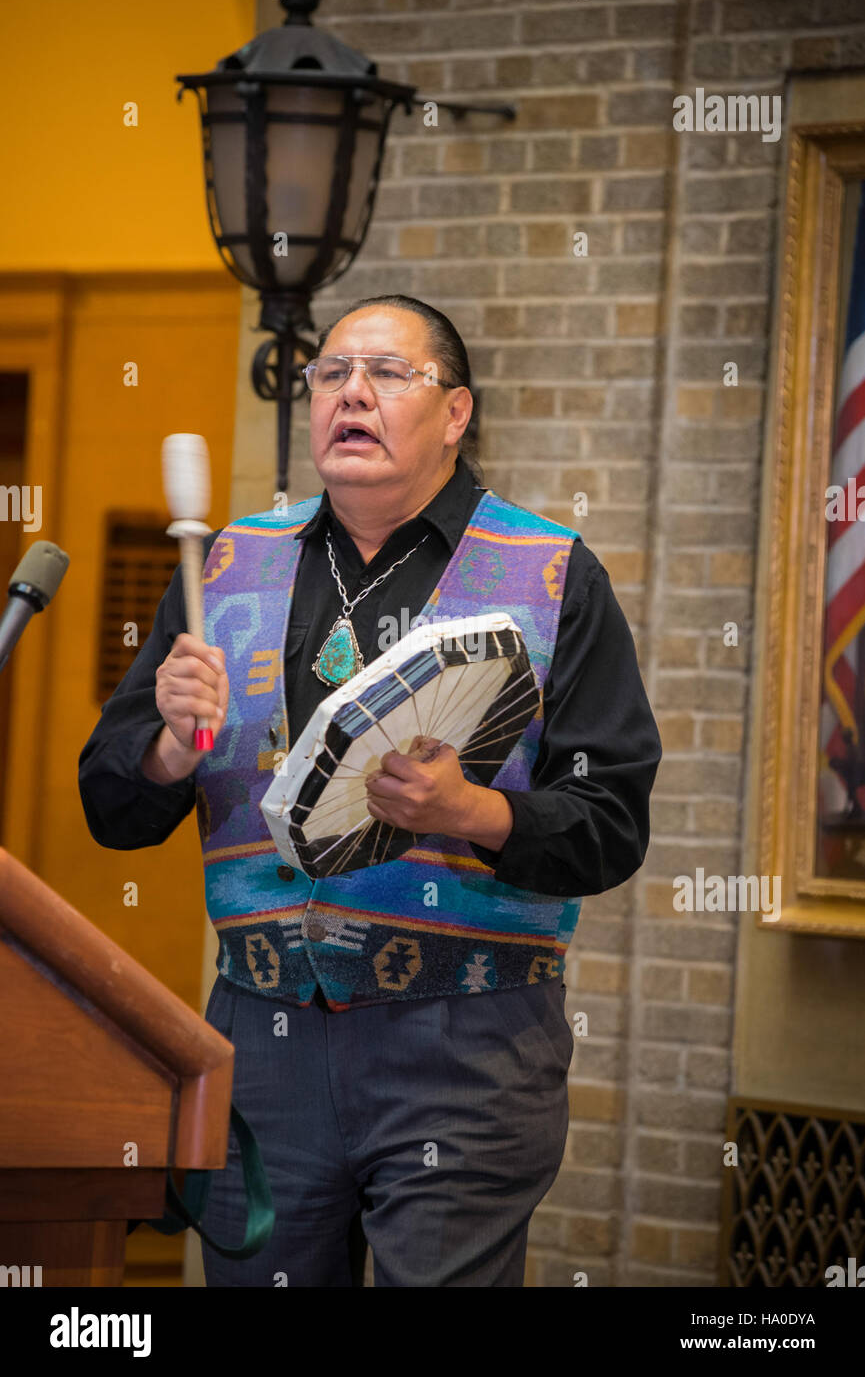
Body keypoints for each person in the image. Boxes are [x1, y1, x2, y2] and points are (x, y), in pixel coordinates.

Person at [79, 293, 662, 1287]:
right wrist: (171, 748)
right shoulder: (227, 565)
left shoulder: (549, 573)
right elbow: (111, 804)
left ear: (457, 411)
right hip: (262, 1032)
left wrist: (466, 811)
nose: (350, 393)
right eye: (329, 374)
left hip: (464, 1046)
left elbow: (610, 825)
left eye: (389, 374)